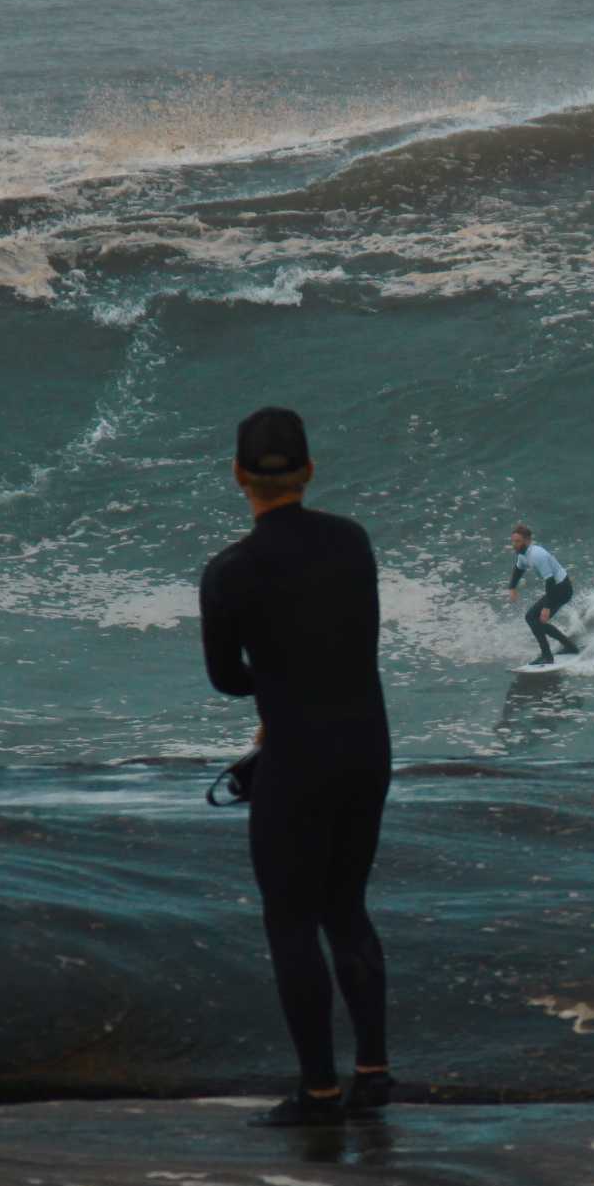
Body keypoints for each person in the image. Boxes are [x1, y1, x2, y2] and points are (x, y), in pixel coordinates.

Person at [198, 406, 396, 1127]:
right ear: (309, 471)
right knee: (348, 910)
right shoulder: (352, 542)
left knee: (291, 920)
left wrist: (274, 686)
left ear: (238, 477)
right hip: (368, 748)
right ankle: (373, 1073)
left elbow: (226, 677)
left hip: (298, 756)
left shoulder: (230, 572)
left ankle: (317, 1092)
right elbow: (349, 641)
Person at [505, 523, 581, 665]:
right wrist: (512, 588)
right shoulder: (523, 554)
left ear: (527, 541)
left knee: (532, 617)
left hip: (562, 588)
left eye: (517, 541)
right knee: (536, 620)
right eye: (513, 541)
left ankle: (547, 656)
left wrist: (546, 607)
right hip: (557, 588)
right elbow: (518, 569)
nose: (514, 545)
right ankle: (569, 646)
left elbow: (550, 581)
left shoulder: (537, 554)